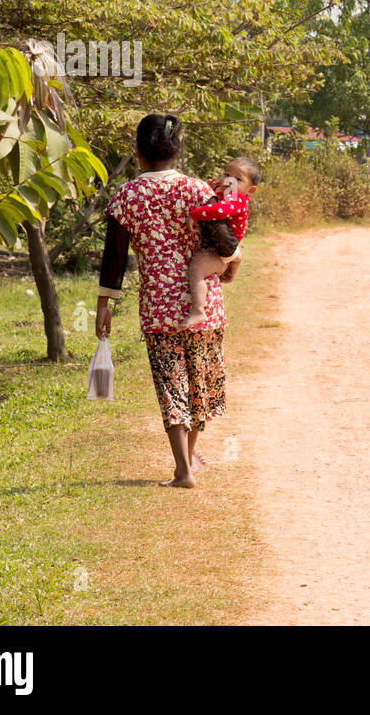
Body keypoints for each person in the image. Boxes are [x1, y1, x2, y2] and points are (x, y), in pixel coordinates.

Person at [94, 114, 239, 489]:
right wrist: (226, 263)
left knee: (171, 385)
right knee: (199, 386)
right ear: (177, 151)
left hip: (158, 308)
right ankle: (187, 461)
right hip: (204, 305)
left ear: (137, 152)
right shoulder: (195, 190)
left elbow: (114, 257)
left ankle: (183, 469)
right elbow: (226, 242)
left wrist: (103, 306)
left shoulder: (127, 196)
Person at [178, 156, 260, 330]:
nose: (229, 181)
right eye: (226, 175)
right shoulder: (228, 196)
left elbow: (219, 211)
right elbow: (219, 201)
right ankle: (235, 260)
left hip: (221, 249)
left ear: (250, 190)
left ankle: (198, 310)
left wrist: (195, 214)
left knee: (196, 269)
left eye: (238, 179)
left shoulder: (238, 200)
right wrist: (212, 189)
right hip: (222, 245)